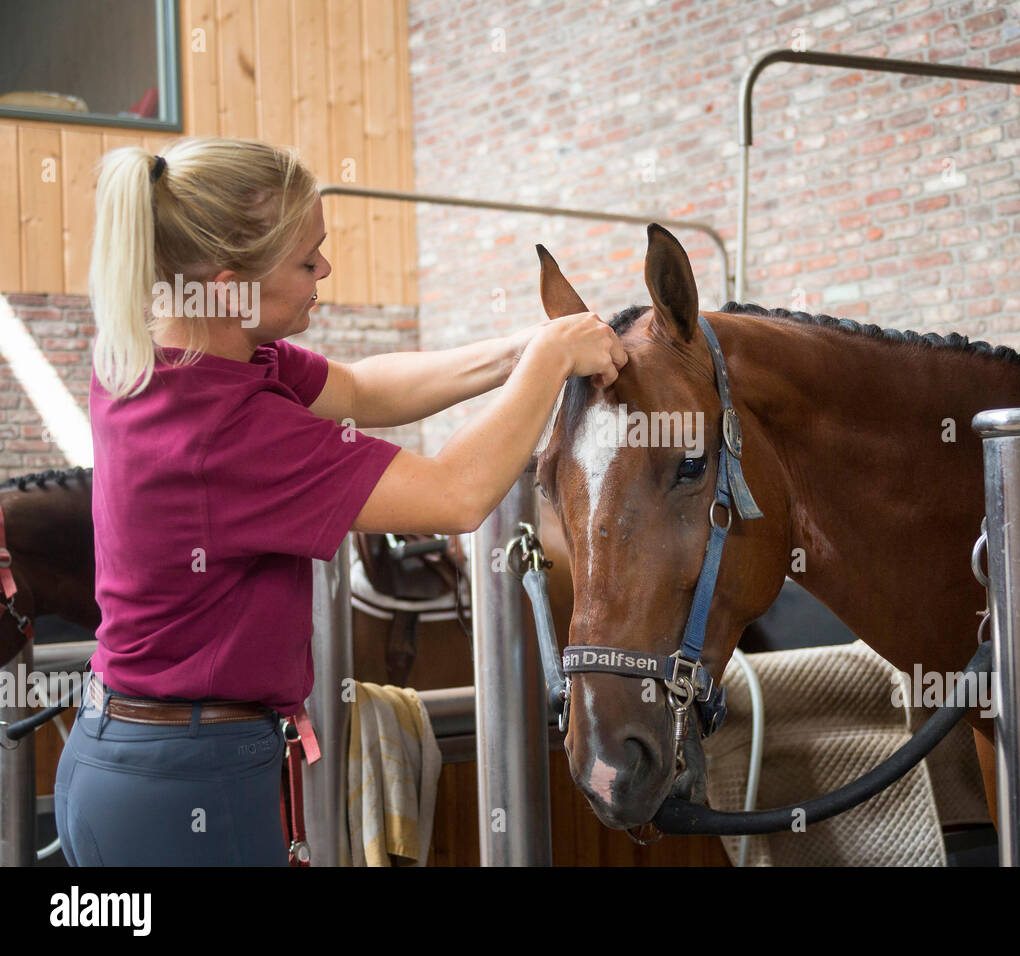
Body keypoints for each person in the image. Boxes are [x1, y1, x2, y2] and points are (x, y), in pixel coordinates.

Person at [54, 136, 626, 866]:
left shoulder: (160, 357)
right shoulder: (229, 432)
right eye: (305, 259)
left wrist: (528, 344)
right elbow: (456, 494)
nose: (324, 269)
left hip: (120, 759)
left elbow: (360, 389)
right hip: (187, 783)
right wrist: (549, 367)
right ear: (229, 286)